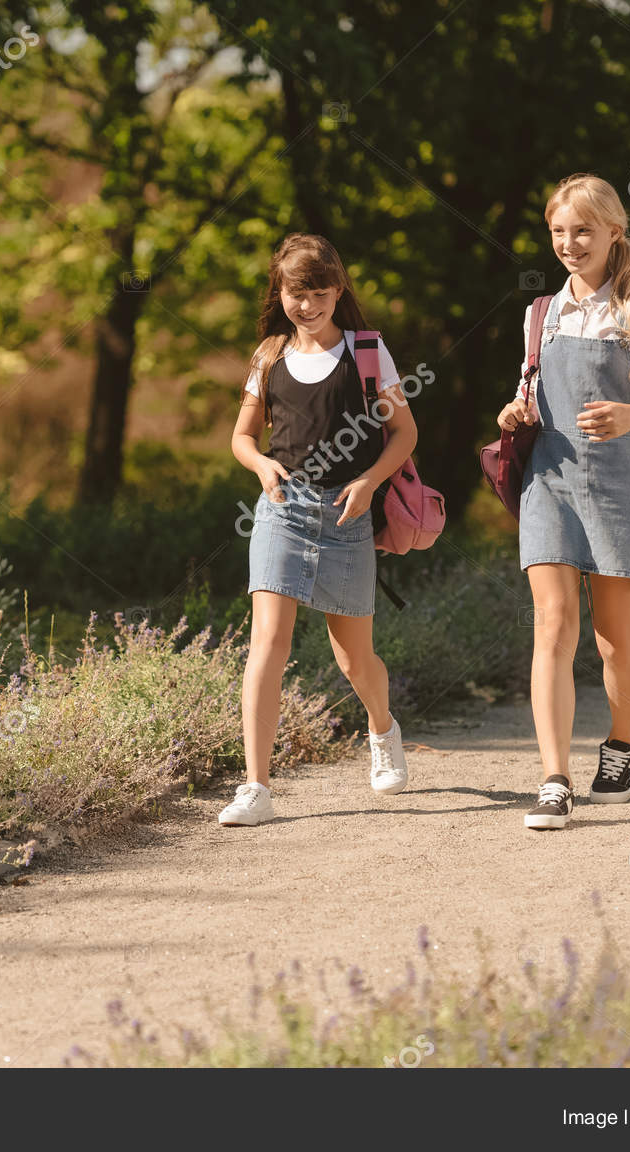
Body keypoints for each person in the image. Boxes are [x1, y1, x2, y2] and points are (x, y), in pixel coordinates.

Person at [495, 173, 630, 830]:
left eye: (582, 230)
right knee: (552, 625)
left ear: (613, 233)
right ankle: (554, 777)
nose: (569, 243)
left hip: (614, 484)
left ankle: (621, 743)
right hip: (548, 478)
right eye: (558, 231)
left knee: (613, 640)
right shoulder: (538, 313)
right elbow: (526, 388)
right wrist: (515, 410)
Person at [218, 233, 420, 827]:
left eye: (317, 293)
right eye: (293, 293)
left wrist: (371, 483)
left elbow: (405, 434)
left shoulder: (369, 351)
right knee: (268, 647)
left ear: (338, 291)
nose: (305, 305)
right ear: (278, 292)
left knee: (354, 659)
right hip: (283, 509)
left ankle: (382, 730)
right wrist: (260, 465)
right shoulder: (268, 356)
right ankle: (256, 786)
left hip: (347, 516)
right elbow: (241, 437)